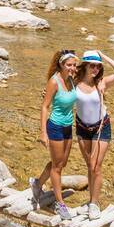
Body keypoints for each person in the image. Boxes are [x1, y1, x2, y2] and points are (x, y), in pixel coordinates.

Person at [75, 50, 114, 218]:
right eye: (92, 65)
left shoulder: (101, 82)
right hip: (82, 128)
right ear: (84, 65)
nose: (96, 69)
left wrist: (103, 55)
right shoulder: (74, 82)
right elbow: (58, 85)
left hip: (101, 128)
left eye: (98, 66)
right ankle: (91, 201)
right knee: (90, 166)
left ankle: (94, 204)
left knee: (95, 166)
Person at [31, 50, 79, 218]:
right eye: (69, 65)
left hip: (68, 127)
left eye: (74, 65)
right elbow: (45, 107)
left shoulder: (72, 79)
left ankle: (37, 183)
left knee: (60, 163)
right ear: (61, 65)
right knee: (57, 167)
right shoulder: (54, 81)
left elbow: (90, 76)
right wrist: (43, 132)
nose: (72, 68)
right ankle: (60, 204)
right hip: (55, 126)